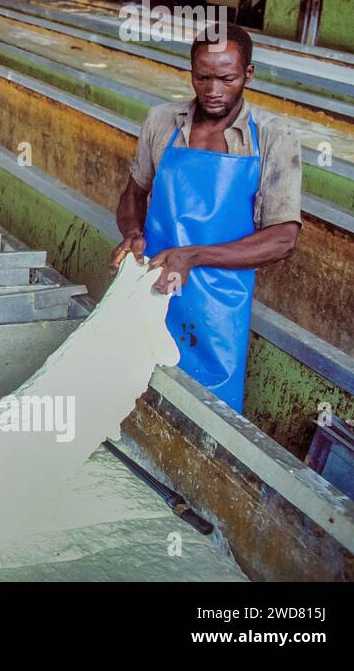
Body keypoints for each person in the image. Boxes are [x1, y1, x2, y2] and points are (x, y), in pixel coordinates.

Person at [110, 23, 302, 412]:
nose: (213, 90)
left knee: (206, 407)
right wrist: (132, 233)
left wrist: (194, 256)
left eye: (227, 78)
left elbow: (284, 237)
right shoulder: (162, 121)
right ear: (191, 71)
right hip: (153, 287)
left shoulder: (271, 137)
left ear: (248, 73)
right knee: (134, 391)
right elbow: (134, 193)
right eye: (203, 77)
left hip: (217, 306)